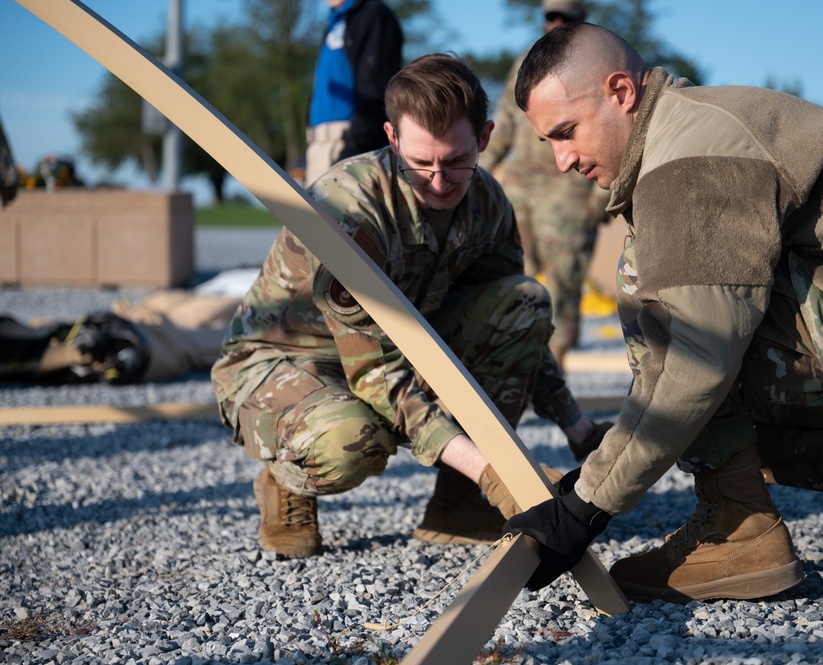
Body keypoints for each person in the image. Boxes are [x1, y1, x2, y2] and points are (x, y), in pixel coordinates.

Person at [503, 23, 823, 602]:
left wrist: (585, 506)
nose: (562, 160)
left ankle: (737, 531)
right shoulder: (694, 123)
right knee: (703, 398)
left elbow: (694, 359)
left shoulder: (689, 155)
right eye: (548, 143)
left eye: (567, 132)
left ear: (621, 92)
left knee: (655, 297)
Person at [212, 53, 610, 559]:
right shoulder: (348, 210)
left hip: (396, 347)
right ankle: (286, 477)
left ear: (485, 138)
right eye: (421, 164)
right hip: (287, 363)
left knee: (526, 298)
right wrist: (497, 473)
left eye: (456, 162)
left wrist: (578, 429)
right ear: (392, 138)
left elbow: (517, 324)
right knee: (352, 439)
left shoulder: (487, 202)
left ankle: (457, 504)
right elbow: (378, 375)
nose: (440, 182)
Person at [479, 0, 609, 370]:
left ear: (580, 20)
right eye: (550, 17)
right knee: (504, 277)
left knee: (562, 289)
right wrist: (476, 171)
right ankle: (507, 374)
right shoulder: (526, 62)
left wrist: (600, 201)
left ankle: (551, 383)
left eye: (564, 18)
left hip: (569, 192)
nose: (555, 24)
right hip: (521, 188)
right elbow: (504, 121)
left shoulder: (594, 64)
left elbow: (614, 132)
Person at [304, 0, 402, 187]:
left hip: (348, 142)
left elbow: (376, 91)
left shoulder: (372, 14)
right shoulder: (334, 21)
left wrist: (351, 151)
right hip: (319, 144)